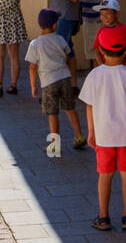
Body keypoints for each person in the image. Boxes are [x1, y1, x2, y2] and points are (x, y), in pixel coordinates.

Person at [78, 27, 126, 231]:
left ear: (100, 51)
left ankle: (103, 216)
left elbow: (89, 106)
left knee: (105, 175)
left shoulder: (94, 75)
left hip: (103, 136)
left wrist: (91, 131)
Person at [26, 9, 87, 153]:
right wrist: (73, 81)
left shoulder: (35, 44)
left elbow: (32, 66)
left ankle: (55, 144)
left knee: (52, 113)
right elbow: (69, 57)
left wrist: (33, 85)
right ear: (54, 26)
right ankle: (79, 136)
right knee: (70, 109)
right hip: (64, 78)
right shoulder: (60, 39)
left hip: (48, 83)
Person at [91, 0, 126, 66]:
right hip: (107, 68)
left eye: (108, 13)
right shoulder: (101, 31)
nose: (104, 17)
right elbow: (97, 51)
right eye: (101, 14)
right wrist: (102, 67)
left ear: (117, 14)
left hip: (122, 69)